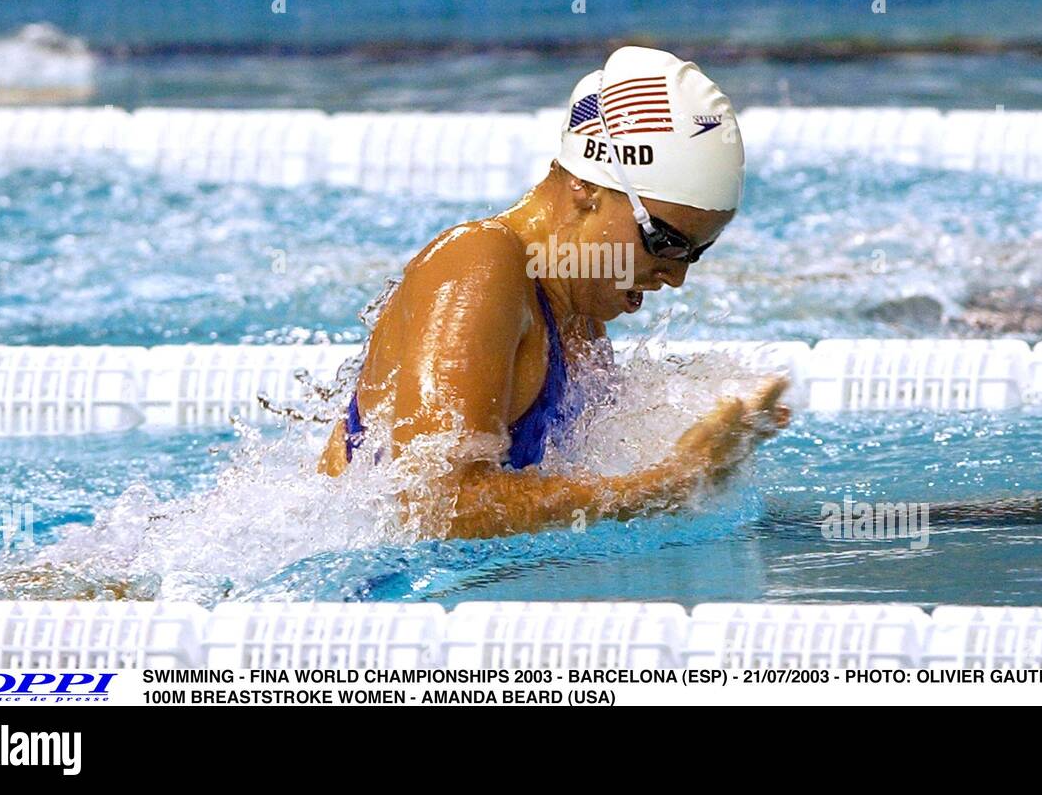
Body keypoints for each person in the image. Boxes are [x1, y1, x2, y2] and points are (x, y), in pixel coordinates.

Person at [316, 46, 790, 539]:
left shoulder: (580, 319)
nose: (676, 277)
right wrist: (659, 488)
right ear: (588, 187)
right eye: (665, 243)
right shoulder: (478, 263)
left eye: (695, 253)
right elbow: (434, 506)